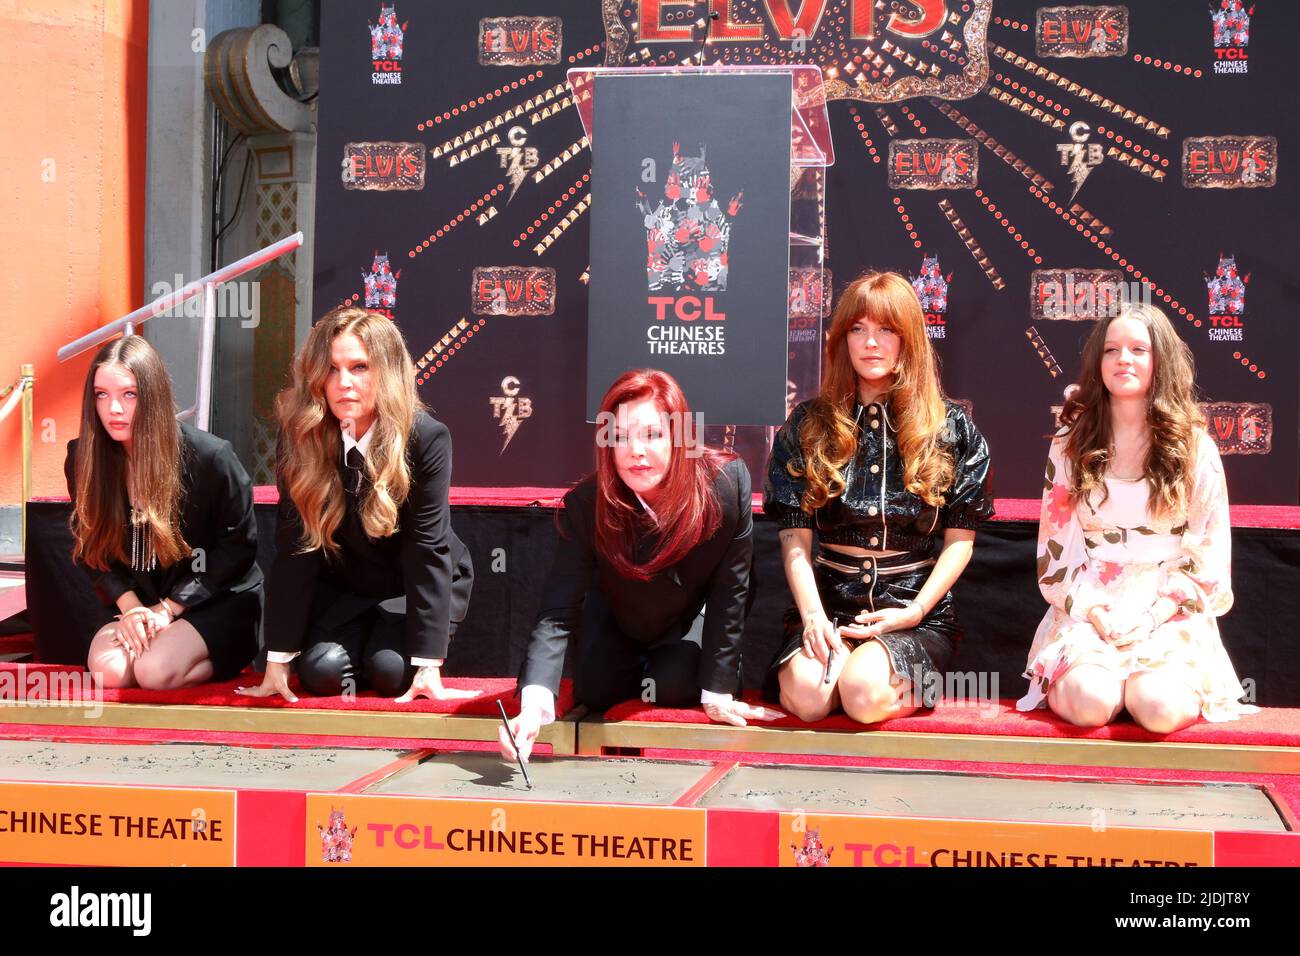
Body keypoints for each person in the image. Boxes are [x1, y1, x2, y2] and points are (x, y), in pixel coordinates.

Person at [499, 369, 780, 763]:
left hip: (687, 620)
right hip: (618, 617)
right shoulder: (587, 504)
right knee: (596, 689)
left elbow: (730, 592)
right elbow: (558, 612)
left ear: (679, 437)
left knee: (678, 681)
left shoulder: (724, 484)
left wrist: (717, 692)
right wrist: (532, 705)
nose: (636, 451)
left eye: (652, 435)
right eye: (622, 437)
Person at [764, 271, 993, 724]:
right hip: (828, 606)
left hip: (912, 607)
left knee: (863, 693)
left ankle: (902, 675)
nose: (872, 343)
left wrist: (914, 612)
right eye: (858, 329)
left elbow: (959, 542)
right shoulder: (807, 424)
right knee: (811, 696)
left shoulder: (952, 429)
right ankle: (840, 667)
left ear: (908, 339)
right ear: (842, 339)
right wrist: (812, 616)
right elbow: (795, 541)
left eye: (886, 329)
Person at [1018, 303, 1255, 731]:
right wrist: (1094, 611)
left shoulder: (1195, 447)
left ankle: (1140, 685)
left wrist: (1154, 615)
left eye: (1137, 349)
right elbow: (1056, 549)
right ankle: (1104, 685)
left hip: (1167, 608)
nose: (1122, 359)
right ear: (1098, 362)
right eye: (1111, 350)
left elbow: (1208, 553)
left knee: (1158, 708)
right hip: (1092, 604)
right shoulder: (1070, 442)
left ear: (1160, 360)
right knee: (1090, 702)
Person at [236, 307, 474, 703]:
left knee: (391, 671)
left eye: (359, 367)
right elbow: (296, 549)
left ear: (388, 371)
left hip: (408, 585)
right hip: (345, 587)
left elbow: (427, 550)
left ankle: (384, 652)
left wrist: (429, 662)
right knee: (322, 673)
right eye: (331, 369)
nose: (344, 383)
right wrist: (277, 660)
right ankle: (362, 648)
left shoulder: (426, 439)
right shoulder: (302, 436)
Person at [67, 335, 261, 688]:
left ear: (152, 396)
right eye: (101, 394)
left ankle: (223, 659)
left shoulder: (210, 457)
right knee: (108, 671)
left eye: (129, 394)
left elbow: (238, 548)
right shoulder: (84, 459)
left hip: (212, 600)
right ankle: (160, 644)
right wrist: (132, 609)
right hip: (138, 601)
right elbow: (90, 547)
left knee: (153, 673)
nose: (113, 409)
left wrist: (169, 608)